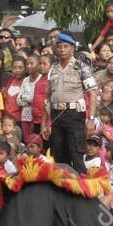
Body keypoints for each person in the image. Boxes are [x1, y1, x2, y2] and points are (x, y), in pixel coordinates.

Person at [42, 34, 96, 169]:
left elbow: (93, 93)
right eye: (59, 46)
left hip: (74, 114)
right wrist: (45, 122)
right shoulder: (53, 68)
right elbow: (47, 97)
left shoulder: (81, 67)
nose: (62, 49)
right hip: (56, 114)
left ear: (72, 48)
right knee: (58, 154)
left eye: (66, 46)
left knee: (76, 153)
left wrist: (91, 119)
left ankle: (81, 181)